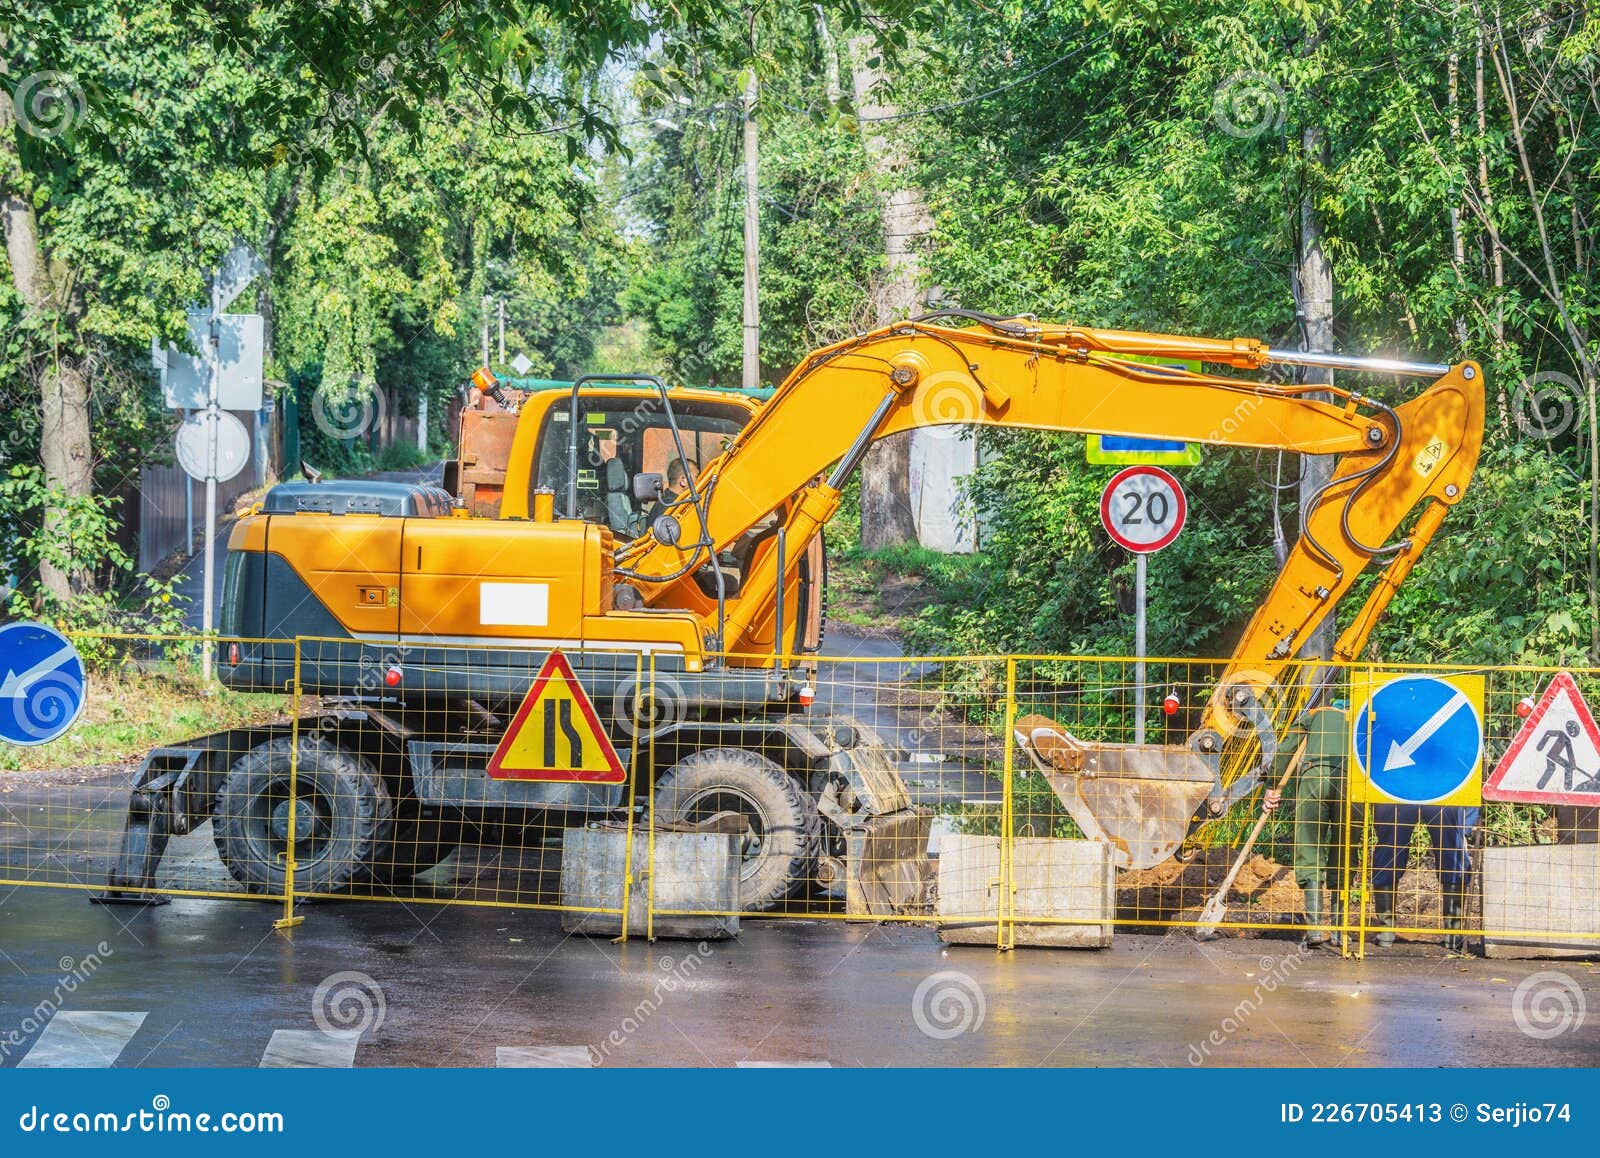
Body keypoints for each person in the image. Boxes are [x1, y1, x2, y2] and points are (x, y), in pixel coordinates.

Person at [1263, 696, 1350, 948]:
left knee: (1309, 848)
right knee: (1344, 849)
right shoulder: (1362, 717)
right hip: (1351, 781)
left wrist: (1272, 785)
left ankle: (1314, 929)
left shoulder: (1314, 713)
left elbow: (1286, 749)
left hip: (1314, 775)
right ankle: (1339, 931)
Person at [1367, 804, 1479, 952]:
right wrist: (1465, 825)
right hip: (1438, 790)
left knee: (1452, 852)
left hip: (1405, 789)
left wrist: (1465, 826)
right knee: (1451, 851)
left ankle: (1386, 932)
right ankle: (1453, 934)